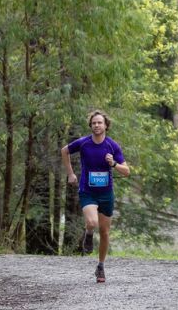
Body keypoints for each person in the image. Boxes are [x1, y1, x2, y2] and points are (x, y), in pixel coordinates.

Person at [61, 110, 130, 283]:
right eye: (94, 123)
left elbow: (126, 171)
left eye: (100, 122)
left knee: (105, 232)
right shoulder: (84, 143)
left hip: (106, 193)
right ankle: (89, 233)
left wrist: (113, 163)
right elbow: (64, 151)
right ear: (90, 126)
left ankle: (100, 266)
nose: (97, 125)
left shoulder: (112, 146)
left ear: (106, 125)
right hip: (88, 191)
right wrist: (70, 174)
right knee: (92, 222)